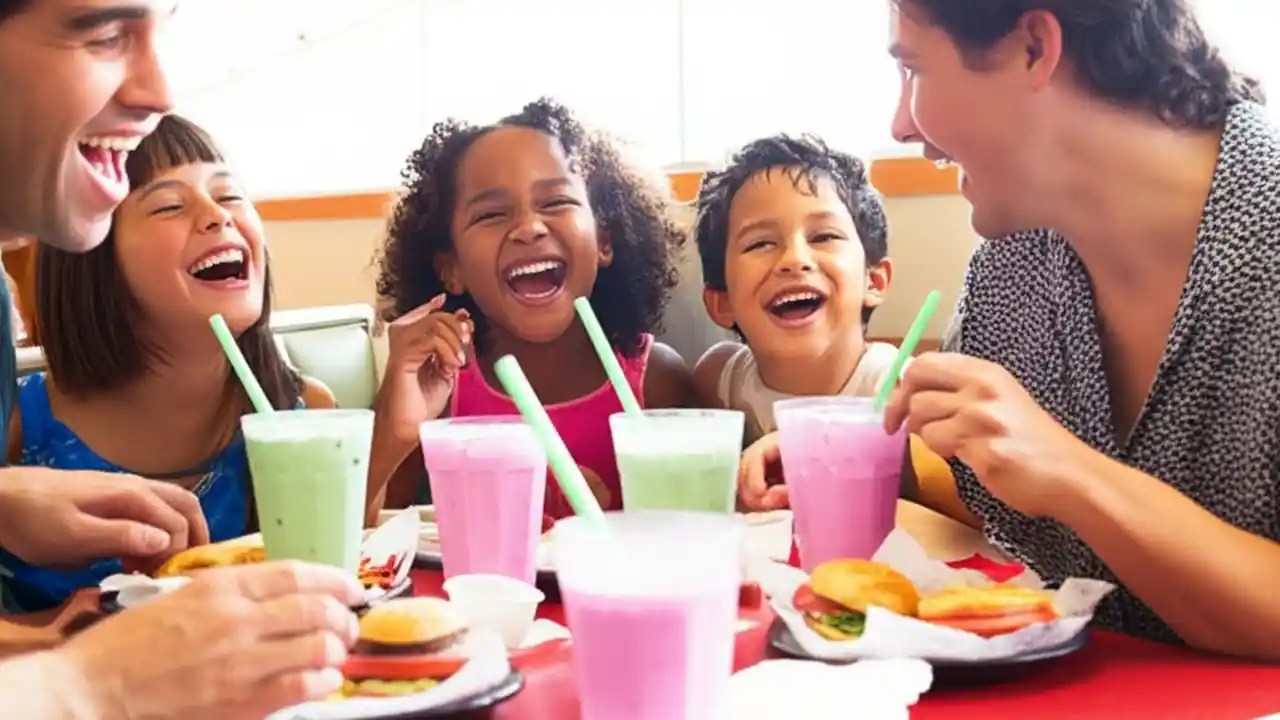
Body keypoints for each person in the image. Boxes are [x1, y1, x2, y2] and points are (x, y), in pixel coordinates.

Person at [882, 0, 1280, 662]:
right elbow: (1009, 490)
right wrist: (878, 462)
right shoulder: (1010, 269)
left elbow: (1050, 467)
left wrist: (1075, 471)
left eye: (913, 70)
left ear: (1035, 47)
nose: (900, 125)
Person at [0, 0, 360, 712]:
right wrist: (88, 676)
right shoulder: (27, 424)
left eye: (232, 196)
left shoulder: (302, 405)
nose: (159, 92)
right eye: (104, 33)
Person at [0, 114, 338, 612]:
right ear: (92, 260)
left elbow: (345, 579)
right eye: (169, 205)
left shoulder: (304, 411)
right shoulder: (19, 430)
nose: (216, 215)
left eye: (229, 195)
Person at [370, 98, 694, 522]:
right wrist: (393, 433)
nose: (528, 228)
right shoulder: (439, 391)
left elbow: (701, 531)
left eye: (555, 202)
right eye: (491, 213)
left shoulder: (660, 382)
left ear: (604, 241)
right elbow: (360, 538)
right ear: (451, 269)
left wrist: (622, 514)